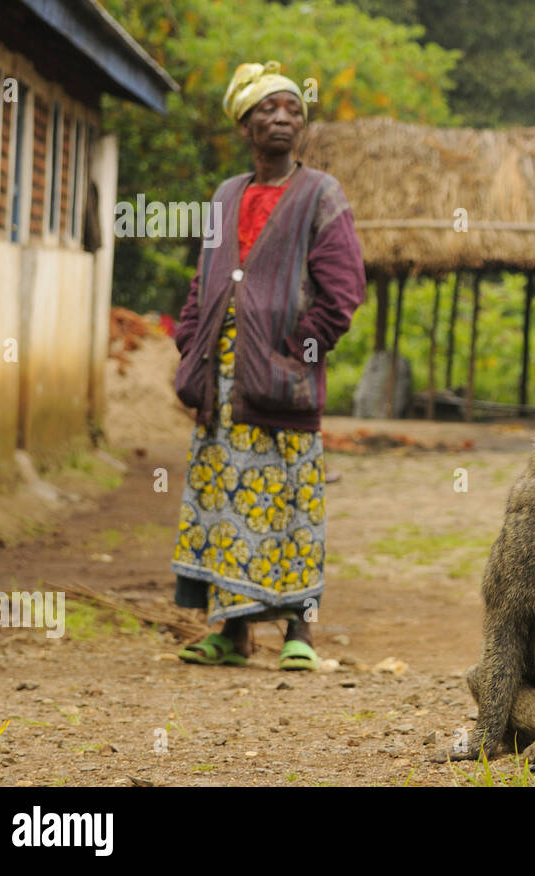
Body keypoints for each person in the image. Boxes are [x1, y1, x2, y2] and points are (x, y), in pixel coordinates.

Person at [170, 61, 366, 671]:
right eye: (268, 109)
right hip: (221, 383)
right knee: (224, 500)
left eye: (293, 110)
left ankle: (299, 634)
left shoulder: (320, 194)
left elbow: (342, 293)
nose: (282, 118)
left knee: (290, 503)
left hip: (281, 378)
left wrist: (295, 351)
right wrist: (188, 336)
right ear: (245, 123)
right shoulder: (226, 195)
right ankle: (229, 634)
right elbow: (204, 281)